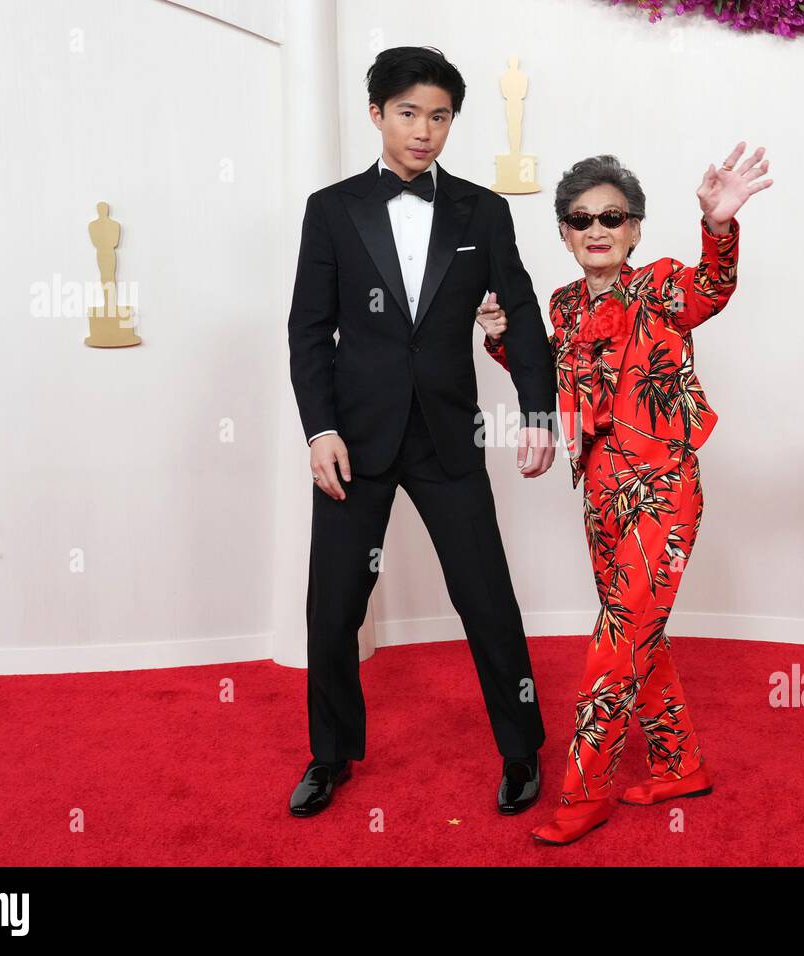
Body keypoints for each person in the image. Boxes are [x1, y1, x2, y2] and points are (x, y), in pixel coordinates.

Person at [287, 46, 559, 819]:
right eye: (409, 113)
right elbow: (309, 332)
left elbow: (524, 314)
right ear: (376, 115)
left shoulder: (483, 209)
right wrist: (320, 430)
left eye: (439, 116)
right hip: (355, 441)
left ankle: (520, 748)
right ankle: (330, 755)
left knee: (486, 597)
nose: (425, 130)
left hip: (447, 438)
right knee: (332, 608)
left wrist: (537, 411)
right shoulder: (331, 209)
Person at [478, 144, 772, 844]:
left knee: (617, 639)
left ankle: (586, 790)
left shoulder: (664, 285)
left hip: (664, 487)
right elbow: (552, 373)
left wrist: (720, 226)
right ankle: (679, 763)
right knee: (642, 634)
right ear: (564, 234)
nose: (597, 228)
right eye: (580, 219)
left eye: (612, 216)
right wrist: (500, 341)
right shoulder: (563, 304)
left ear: (635, 228)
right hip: (599, 490)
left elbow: (713, 288)